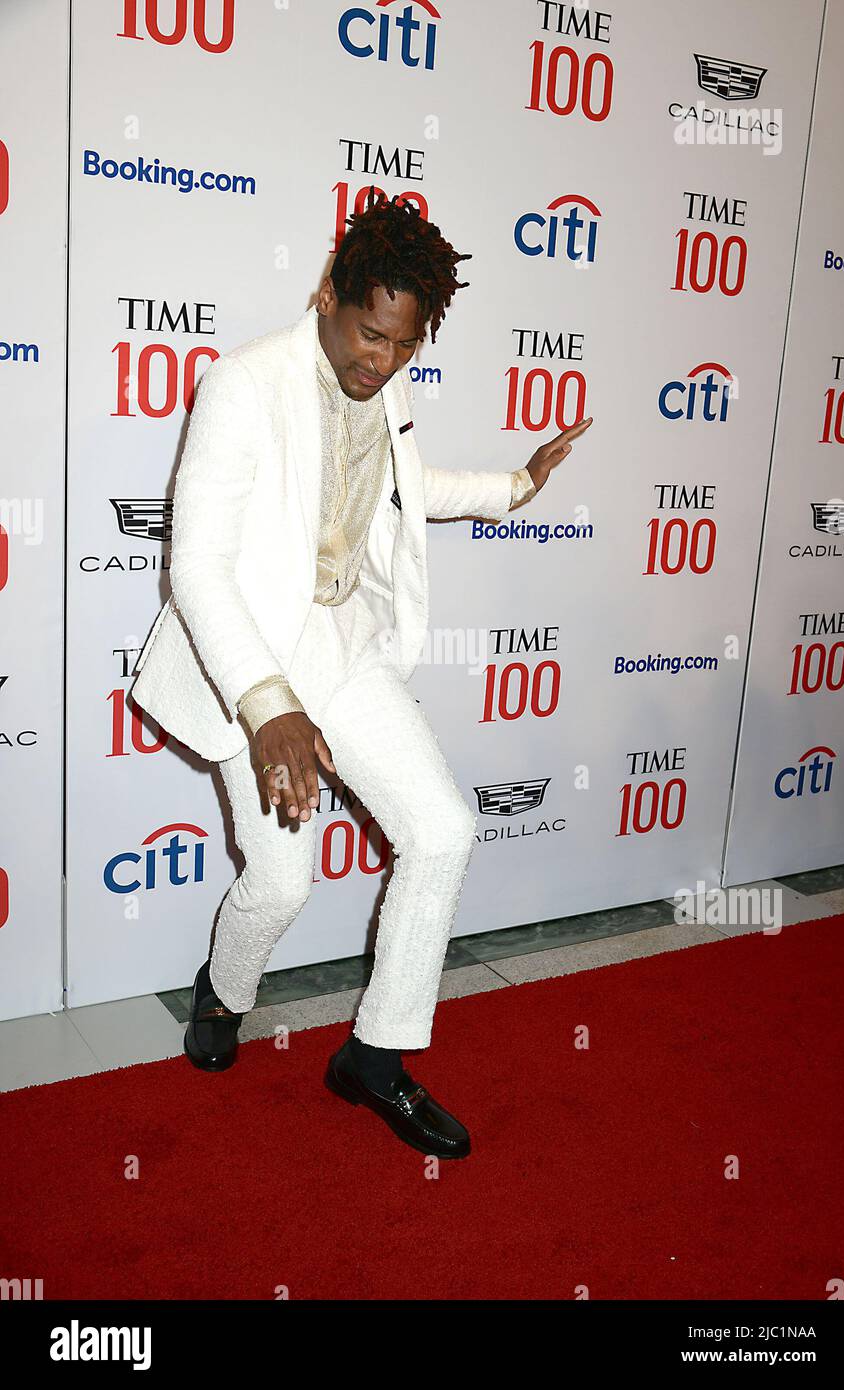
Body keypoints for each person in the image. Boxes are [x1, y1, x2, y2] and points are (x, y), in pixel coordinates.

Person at [130, 193, 592, 1160]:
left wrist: (513, 488)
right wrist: (267, 710)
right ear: (330, 294)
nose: (378, 361)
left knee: (443, 829)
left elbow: (402, 486)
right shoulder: (243, 385)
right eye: (367, 334)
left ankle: (375, 1058)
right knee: (283, 882)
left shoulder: (386, 388)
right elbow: (200, 567)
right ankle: (224, 990)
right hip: (248, 664)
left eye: (401, 346)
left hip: (343, 647)